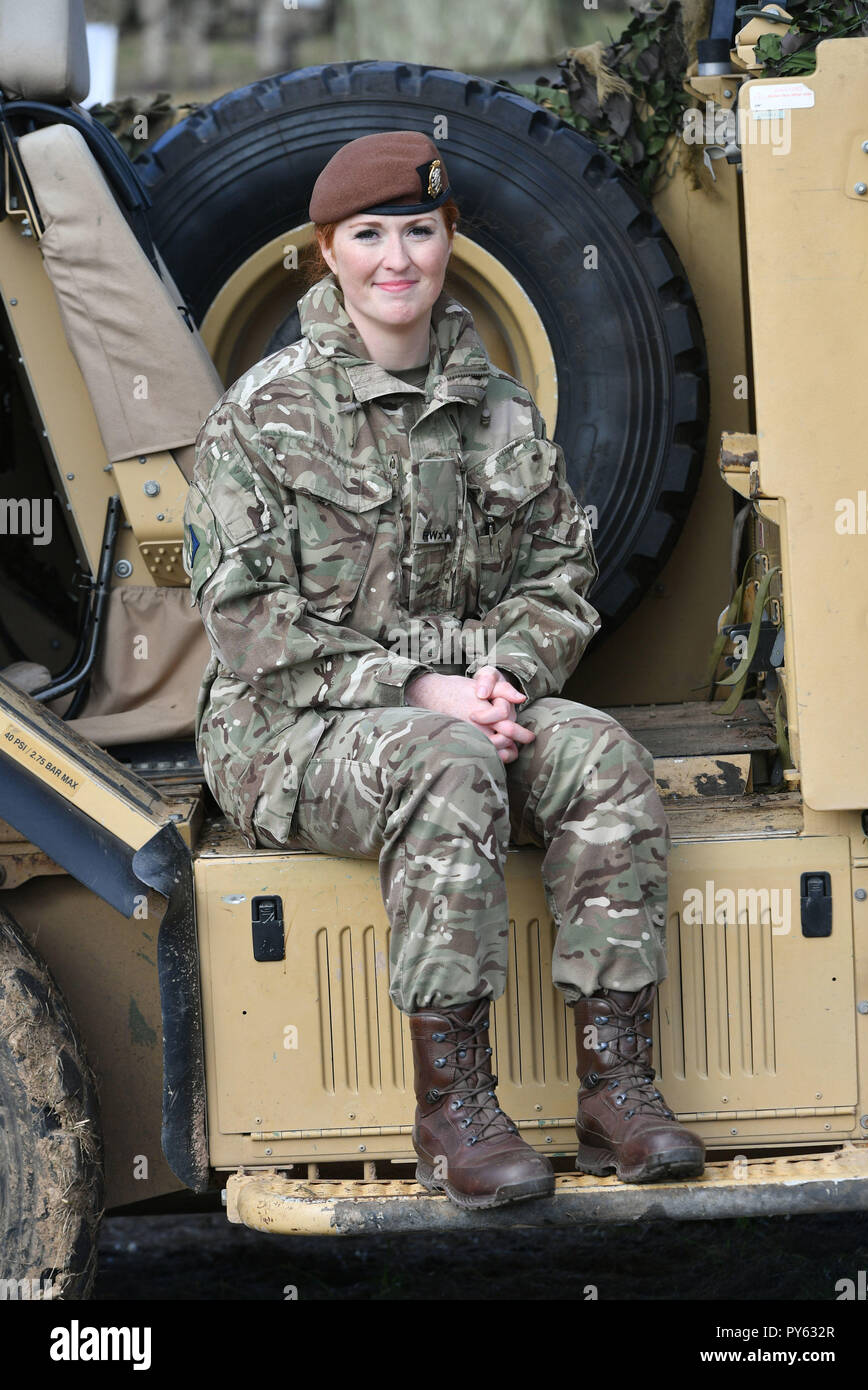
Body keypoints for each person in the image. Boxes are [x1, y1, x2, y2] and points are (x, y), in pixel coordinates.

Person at [182, 130, 705, 1209]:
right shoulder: (263, 416)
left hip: (468, 705)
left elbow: (562, 568)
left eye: (419, 230)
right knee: (444, 759)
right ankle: (452, 1113)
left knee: (601, 754)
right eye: (369, 234)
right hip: (289, 733)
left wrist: (508, 673)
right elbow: (243, 619)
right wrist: (423, 691)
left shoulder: (500, 406)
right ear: (328, 252)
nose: (397, 257)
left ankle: (617, 1087)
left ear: (450, 239)